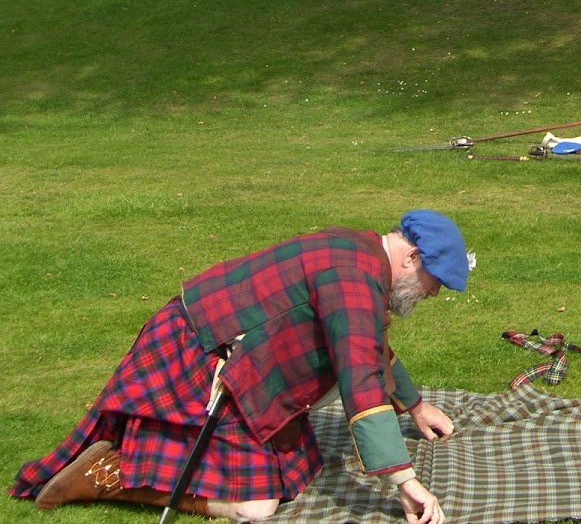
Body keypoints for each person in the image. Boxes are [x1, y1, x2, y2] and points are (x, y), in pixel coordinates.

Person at [11, 210, 475, 523]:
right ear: (412, 257)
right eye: (436, 282)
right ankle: (107, 477)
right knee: (256, 506)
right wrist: (404, 480)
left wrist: (414, 407)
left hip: (222, 350)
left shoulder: (357, 250)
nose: (434, 293)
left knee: (298, 469)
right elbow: (361, 375)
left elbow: (367, 344)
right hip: (197, 361)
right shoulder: (353, 276)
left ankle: (126, 460)